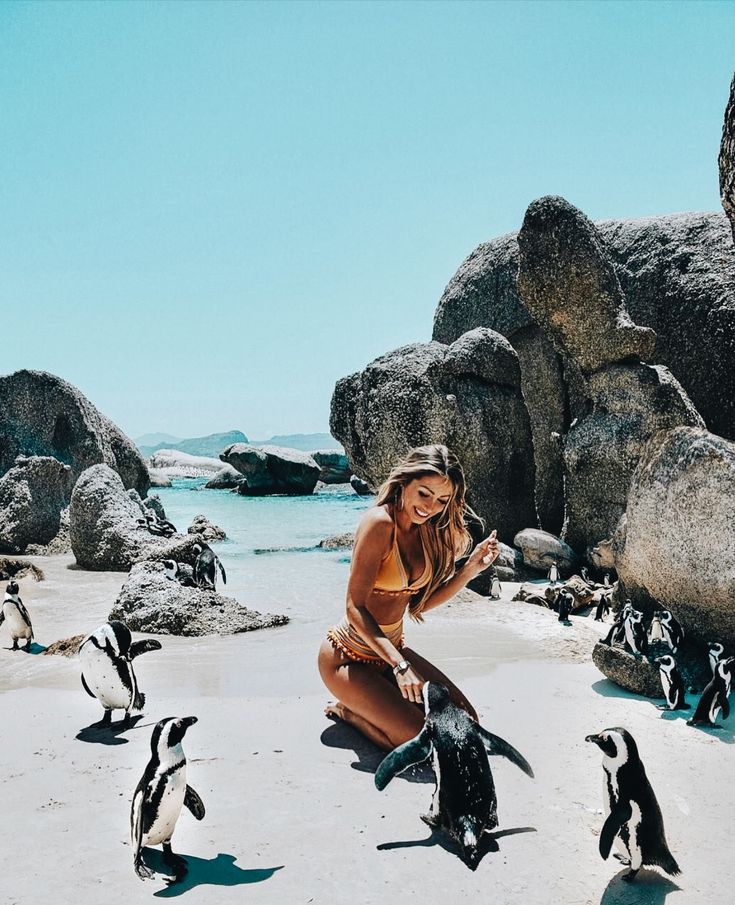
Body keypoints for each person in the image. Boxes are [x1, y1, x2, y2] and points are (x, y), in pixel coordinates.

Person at [318, 444, 499, 751]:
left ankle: (373, 703)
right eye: (424, 493)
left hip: (391, 657)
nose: (430, 507)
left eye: (442, 500)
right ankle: (350, 712)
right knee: (420, 743)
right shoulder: (379, 524)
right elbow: (354, 607)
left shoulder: (427, 530)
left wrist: (469, 570)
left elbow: (418, 604)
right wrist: (401, 666)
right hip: (347, 660)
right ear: (405, 483)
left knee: (466, 725)